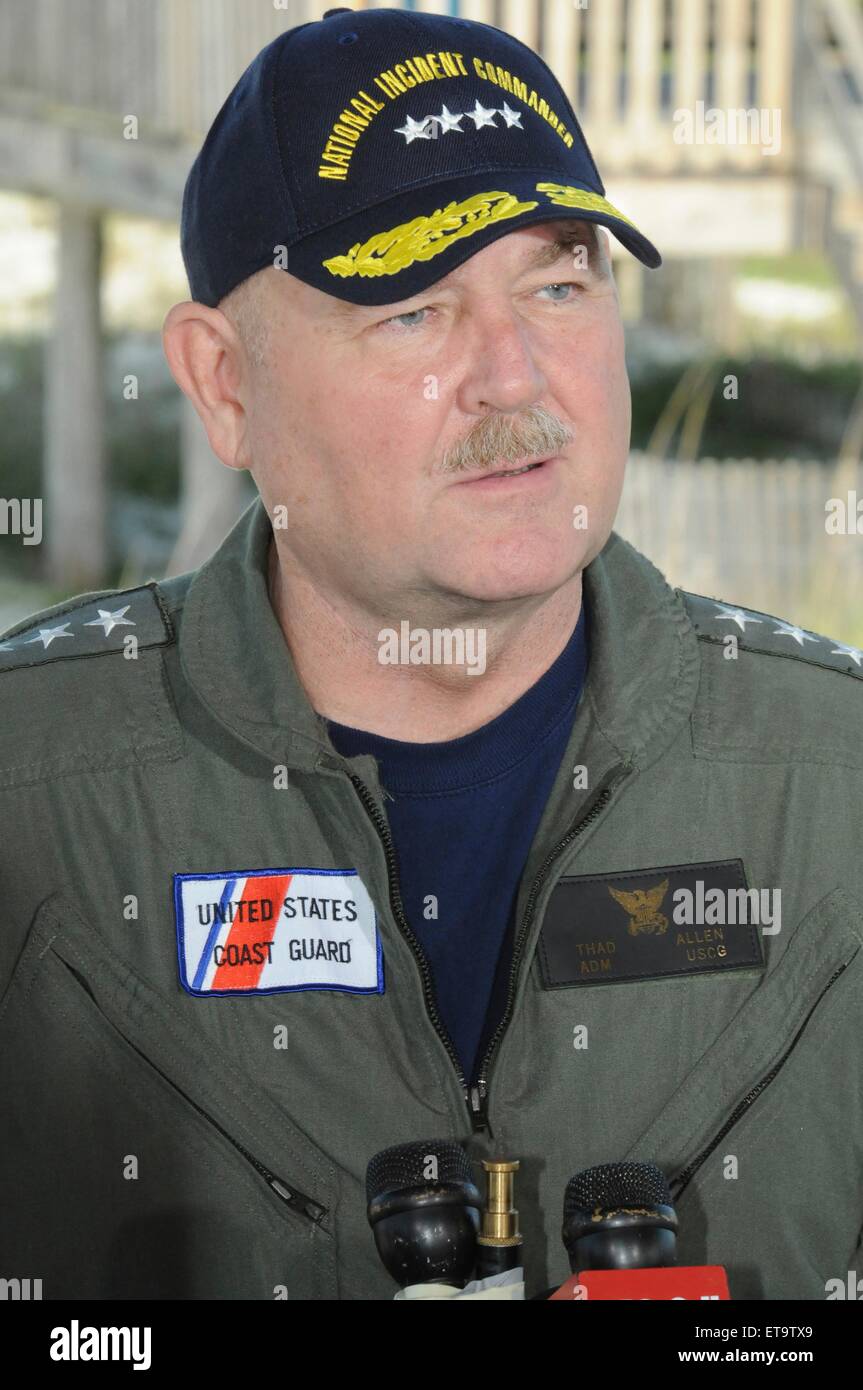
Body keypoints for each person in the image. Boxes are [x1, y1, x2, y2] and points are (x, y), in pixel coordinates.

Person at [1, 5, 861, 1302]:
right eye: (412, 308)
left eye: (561, 282)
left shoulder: (836, 785)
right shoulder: (32, 797)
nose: (517, 377)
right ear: (225, 384)